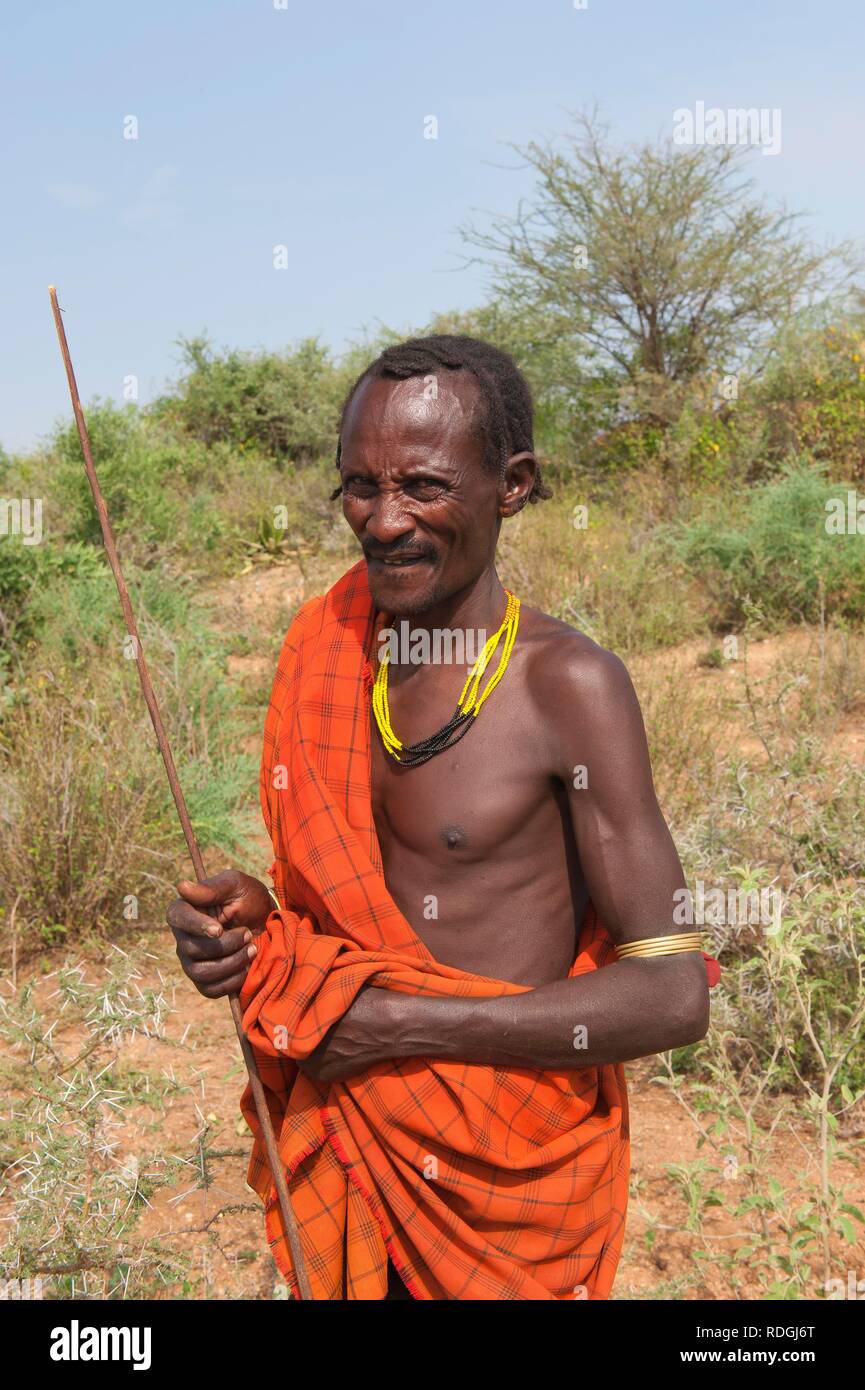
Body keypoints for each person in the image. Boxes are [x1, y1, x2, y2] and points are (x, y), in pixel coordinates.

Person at [167, 336, 714, 1300]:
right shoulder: (325, 647)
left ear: (511, 484)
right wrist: (260, 925)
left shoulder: (568, 686)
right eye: (357, 487)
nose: (382, 522)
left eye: (421, 485)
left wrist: (396, 1027)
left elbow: (671, 995)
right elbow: (350, 917)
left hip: (508, 1178)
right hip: (355, 1140)